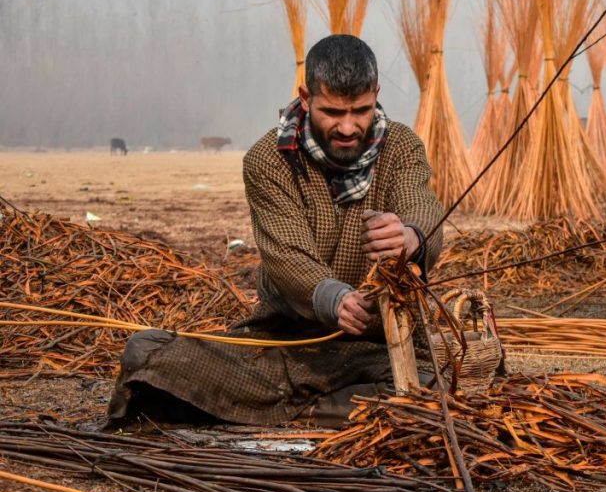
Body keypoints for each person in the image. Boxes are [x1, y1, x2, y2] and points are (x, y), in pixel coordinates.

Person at [107, 34, 443, 427]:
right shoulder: (268, 160)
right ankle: (326, 410)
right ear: (306, 98)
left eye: (361, 111)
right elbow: (287, 255)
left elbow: (422, 205)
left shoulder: (401, 146)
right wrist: (335, 300)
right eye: (333, 112)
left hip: (379, 344)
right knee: (147, 352)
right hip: (287, 343)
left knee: (425, 383)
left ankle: (270, 410)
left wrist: (410, 236)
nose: (348, 127)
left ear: (376, 95)